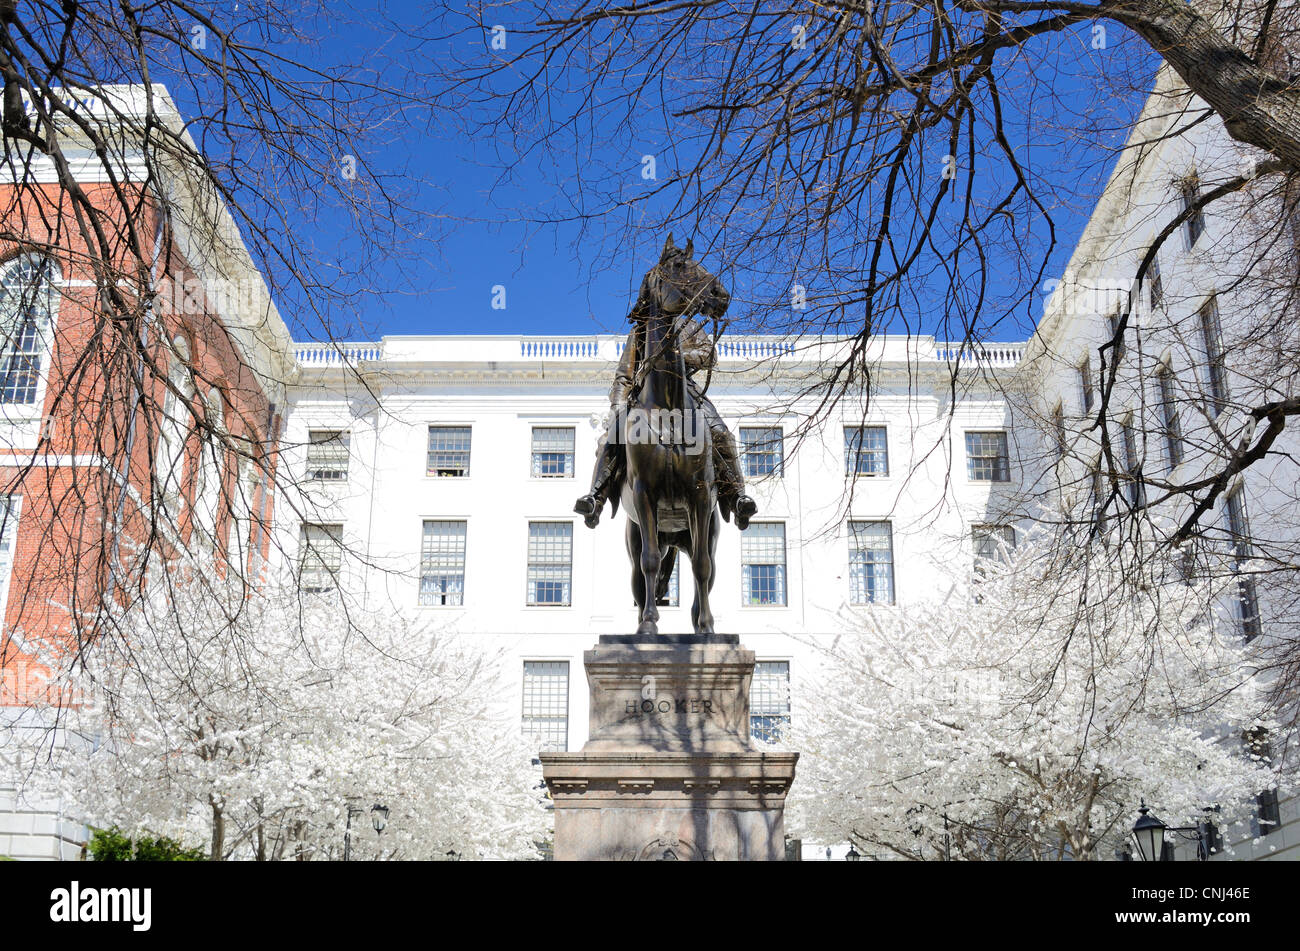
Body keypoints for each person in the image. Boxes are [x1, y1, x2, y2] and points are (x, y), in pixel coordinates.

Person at [573, 315, 758, 530]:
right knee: (610, 437)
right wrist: (617, 407)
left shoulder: (690, 325)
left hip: (687, 393)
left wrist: (675, 355)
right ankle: (596, 499)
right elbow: (625, 374)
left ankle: (737, 497)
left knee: (722, 433)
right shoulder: (641, 328)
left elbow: (709, 355)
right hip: (645, 398)